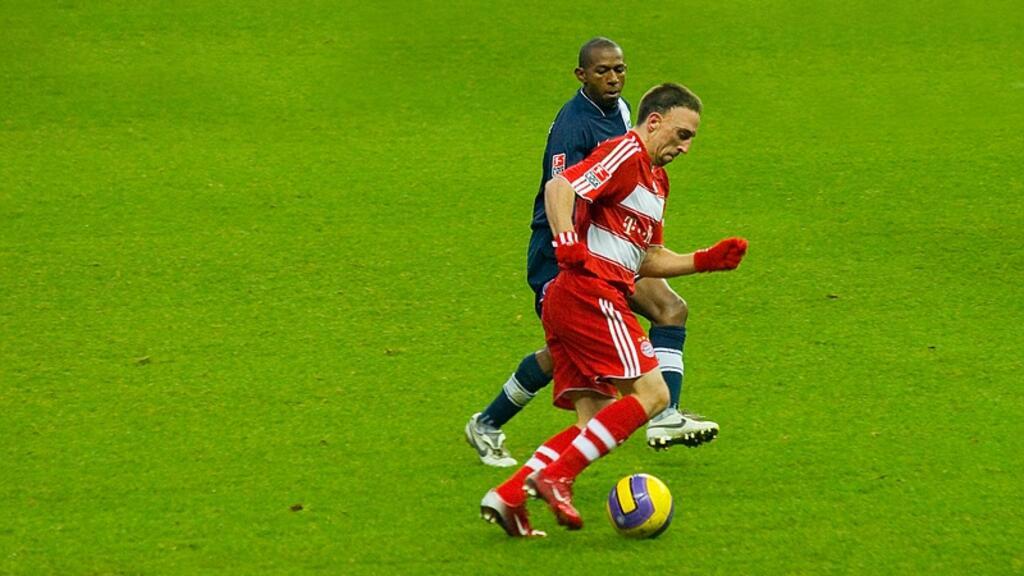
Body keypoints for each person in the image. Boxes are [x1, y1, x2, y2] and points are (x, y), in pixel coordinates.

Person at [480, 83, 748, 536]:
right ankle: (557, 477)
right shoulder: (626, 152)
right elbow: (560, 187)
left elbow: (646, 257)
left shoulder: (657, 182)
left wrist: (703, 260)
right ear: (654, 121)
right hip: (592, 292)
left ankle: (508, 496)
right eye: (682, 134)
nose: (685, 147)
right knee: (654, 395)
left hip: (578, 297)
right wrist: (566, 240)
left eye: (692, 139)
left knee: (593, 420)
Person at [465, 38, 717, 468]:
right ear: (582, 75)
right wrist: (569, 244)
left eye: (619, 69)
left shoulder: (623, 112)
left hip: (609, 245)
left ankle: (665, 414)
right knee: (565, 352)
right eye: (602, 71)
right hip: (562, 252)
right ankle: (488, 423)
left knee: (670, 309)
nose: (614, 78)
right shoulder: (573, 125)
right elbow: (560, 189)